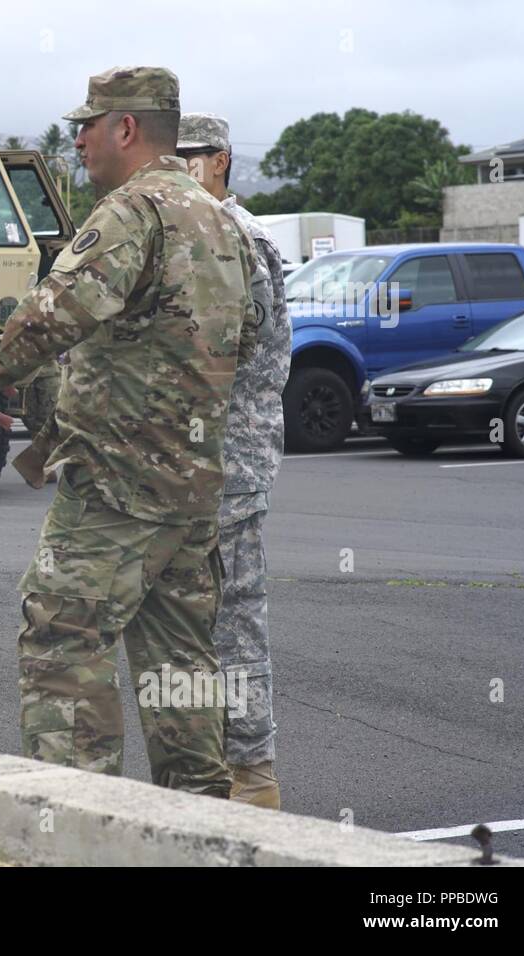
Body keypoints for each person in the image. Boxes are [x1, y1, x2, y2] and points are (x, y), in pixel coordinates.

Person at [0, 67, 259, 797]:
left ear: (126, 129)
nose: (77, 140)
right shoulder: (221, 218)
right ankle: (202, 826)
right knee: (179, 663)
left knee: (63, 643)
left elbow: (56, 312)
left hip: (117, 487)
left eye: (88, 126)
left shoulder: (133, 211)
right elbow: (245, 341)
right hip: (192, 488)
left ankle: (76, 823)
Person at [178, 112, 291, 808]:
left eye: (192, 155)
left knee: (235, 621)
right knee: (191, 623)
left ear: (221, 159)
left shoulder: (237, 239)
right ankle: (212, 772)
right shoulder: (199, 233)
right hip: (199, 462)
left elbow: (227, 350)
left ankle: (252, 780)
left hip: (231, 463)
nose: (181, 166)